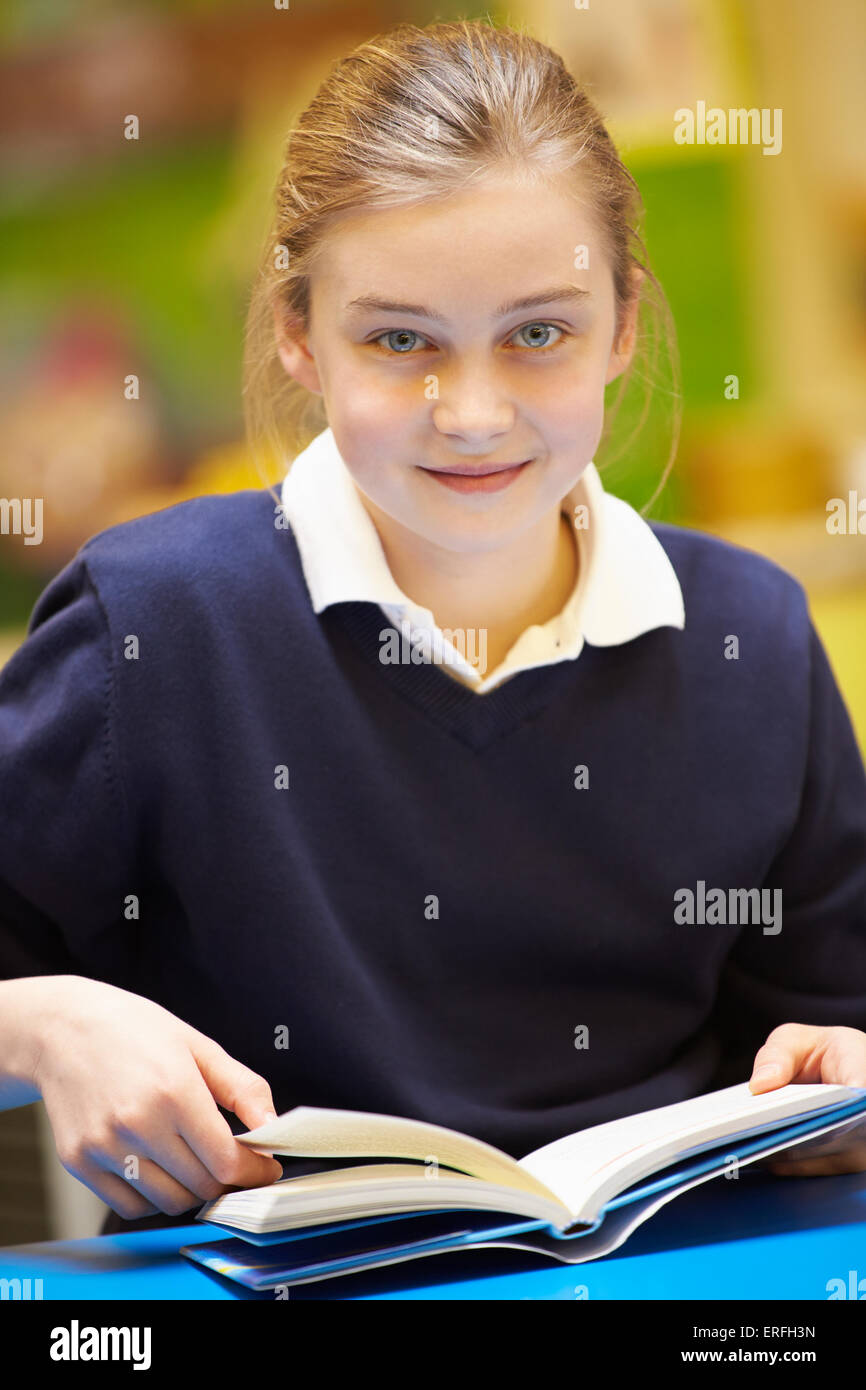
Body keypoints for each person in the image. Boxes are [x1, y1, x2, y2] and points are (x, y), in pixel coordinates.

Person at [1, 19, 865, 1241]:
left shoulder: (753, 636)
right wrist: (43, 1021)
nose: (471, 413)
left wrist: (836, 1090)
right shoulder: (153, 621)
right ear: (301, 334)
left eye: (538, 333)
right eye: (399, 339)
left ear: (620, 324)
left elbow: (830, 1036)